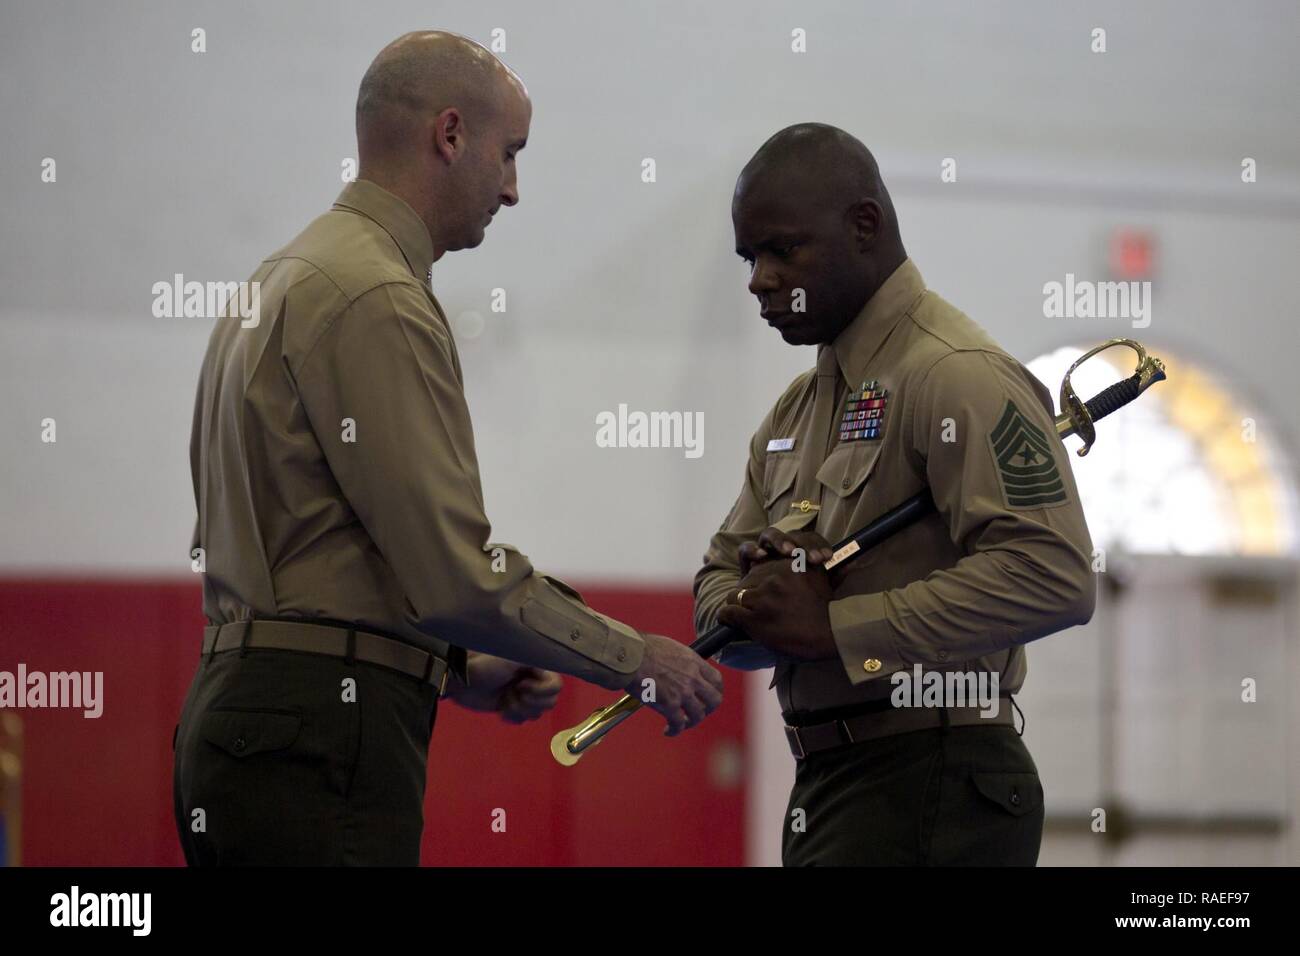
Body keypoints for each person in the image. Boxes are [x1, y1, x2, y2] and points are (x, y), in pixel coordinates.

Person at [173, 31, 722, 866]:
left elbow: (318, 564)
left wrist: (461, 668)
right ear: (451, 134)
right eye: (509, 154)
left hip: (251, 722)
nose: (512, 190)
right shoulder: (377, 298)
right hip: (318, 739)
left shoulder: (279, 278)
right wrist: (635, 659)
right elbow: (453, 574)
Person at [694, 123, 1095, 865]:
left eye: (783, 249)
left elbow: (1057, 578)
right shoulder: (796, 411)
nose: (759, 279)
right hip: (830, 780)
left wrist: (842, 626)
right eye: (751, 258)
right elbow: (715, 584)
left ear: (864, 226)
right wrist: (758, 593)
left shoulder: (955, 373)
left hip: (934, 773)